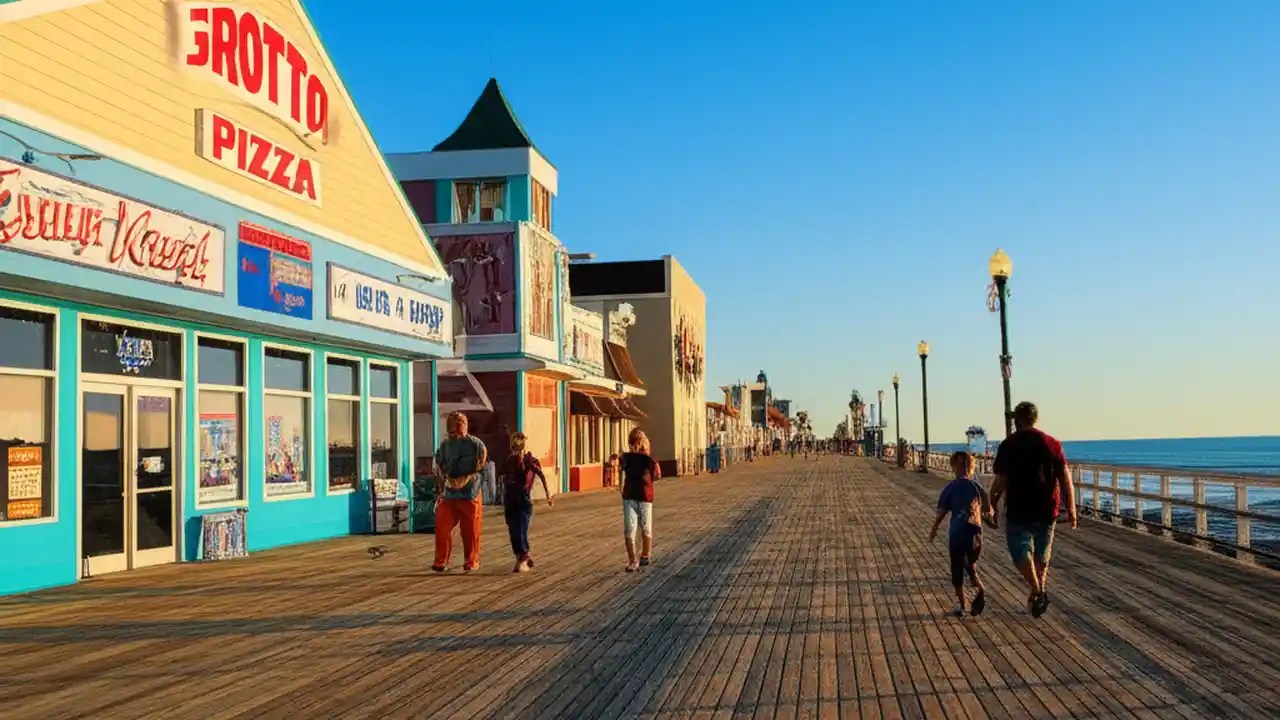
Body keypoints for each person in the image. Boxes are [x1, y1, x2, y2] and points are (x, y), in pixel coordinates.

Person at [990, 401, 1077, 617]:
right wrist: (1072, 508)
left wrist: (991, 504)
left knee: (1020, 552)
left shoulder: (1009, 445)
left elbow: (1001, 479)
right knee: (1041, 556)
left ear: (1017, 421)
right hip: (1047, 509)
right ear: (1035, 419)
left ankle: (1037, 590)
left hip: (1019, 509)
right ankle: (1038, 595)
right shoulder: (1052, 444)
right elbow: (1065, 478)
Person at [929, 452, 994, 617]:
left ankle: (962, 604)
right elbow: (987, 502)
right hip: (975, 536)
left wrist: (933, 531)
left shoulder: (950, 488)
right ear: (971, 468)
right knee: (970, 565)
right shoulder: (975, 486)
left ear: (953, 467)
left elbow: (941, 513)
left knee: (957, 572)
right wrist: (989, 513)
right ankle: (979, 587)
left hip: (957, 536)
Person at [432, 411, 488, 573]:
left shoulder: (476, 444)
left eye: (458, 425)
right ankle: (441, 560)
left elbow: (480, 462)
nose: (454, 433)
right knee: (442, 528)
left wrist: (466, 477)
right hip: (450, 492)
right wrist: (443, 482)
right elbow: (440, 462)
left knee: (470, 530)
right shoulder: (444, 445)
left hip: (470, 491)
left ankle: (471, 561)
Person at [499, 432, 552, 573]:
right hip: (510, 499)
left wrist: (548, 494)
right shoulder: (508, 460)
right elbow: (501, 474)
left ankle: (524, 556)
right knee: (513, 530)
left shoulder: (529, 461)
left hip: (523, 499)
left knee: (520, 529)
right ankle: (522, 556)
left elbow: (539, 474)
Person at [620, 427, 661, 572]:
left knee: (646, 527)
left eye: (637, 443)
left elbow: (657, 474)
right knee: (629, 529)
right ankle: (632, 560)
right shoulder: (626, 458)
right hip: (630, 496)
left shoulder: (649, 460)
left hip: (644, 496)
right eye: (632, 443)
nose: (634, 446)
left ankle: (645, 554)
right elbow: (621, 470)